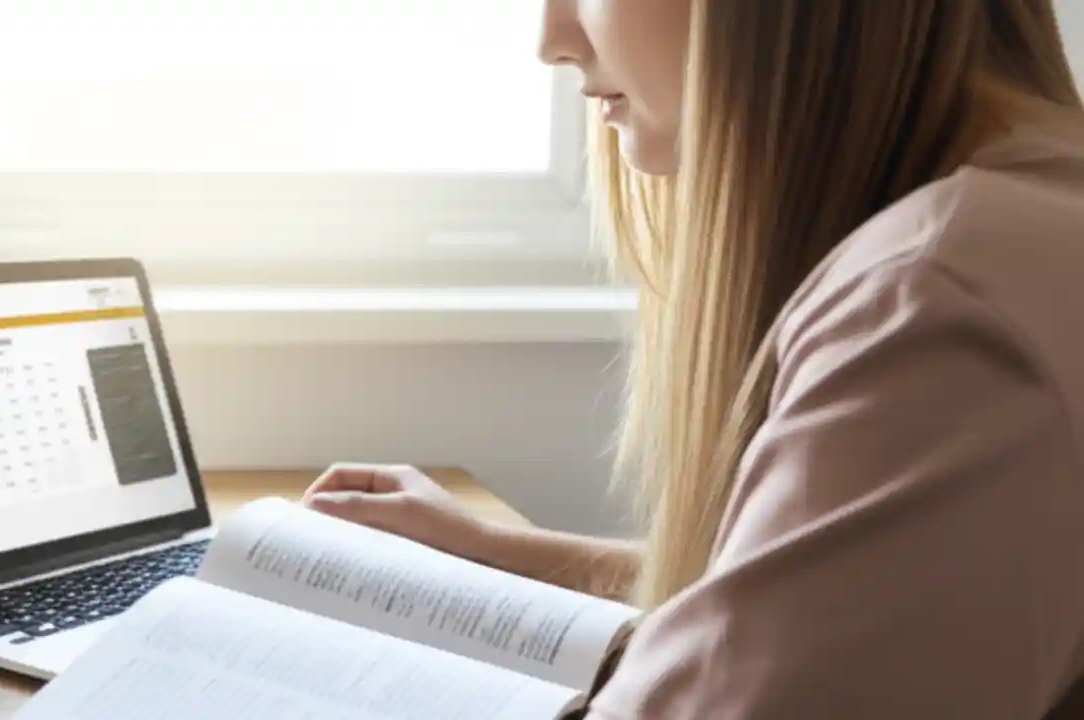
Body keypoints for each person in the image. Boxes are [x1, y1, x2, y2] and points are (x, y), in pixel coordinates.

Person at [304, 1, 1084, 717]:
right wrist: (499, 555)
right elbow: (835, 587)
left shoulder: (936, 301)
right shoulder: (1017, 225)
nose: (553, 41)